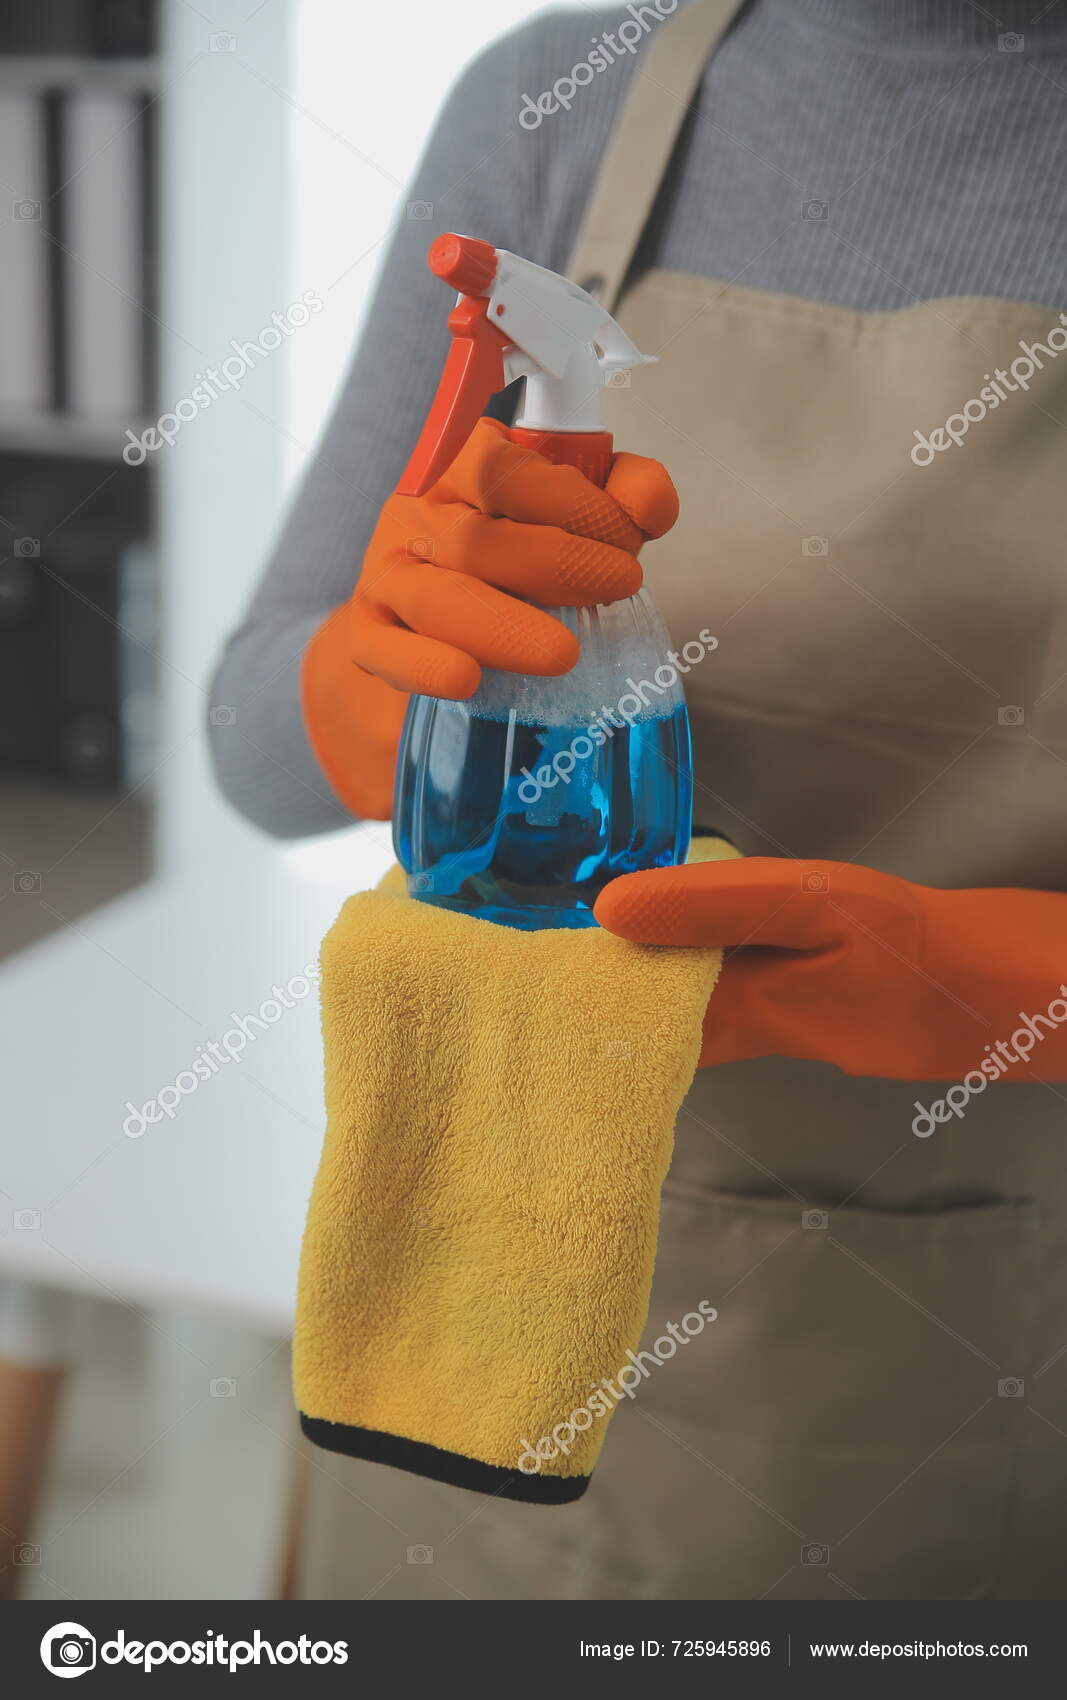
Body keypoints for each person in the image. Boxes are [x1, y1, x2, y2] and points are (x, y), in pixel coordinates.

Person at [209, 0, 1067, 1600]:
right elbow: (248, 744)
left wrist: (1007, 995)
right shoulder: (561, 103)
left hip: (965, 1359)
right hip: (467, 1284)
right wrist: (364, 680)